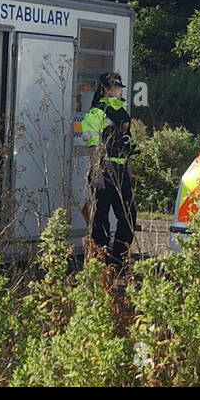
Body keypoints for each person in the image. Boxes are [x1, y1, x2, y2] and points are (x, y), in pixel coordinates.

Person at [81, 71, 136, 270]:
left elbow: (127, 144)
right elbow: (94, 145)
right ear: (105, 90)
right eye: (114, 87)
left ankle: (119, 259)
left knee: (128, 215)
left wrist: (128, 170)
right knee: (101, 219)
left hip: (121, 168)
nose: (118, 91)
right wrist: (96, 172)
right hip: (104, 168)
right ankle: (100, 260)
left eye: (120, 87)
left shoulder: (123, 113)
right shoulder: (96, 113)